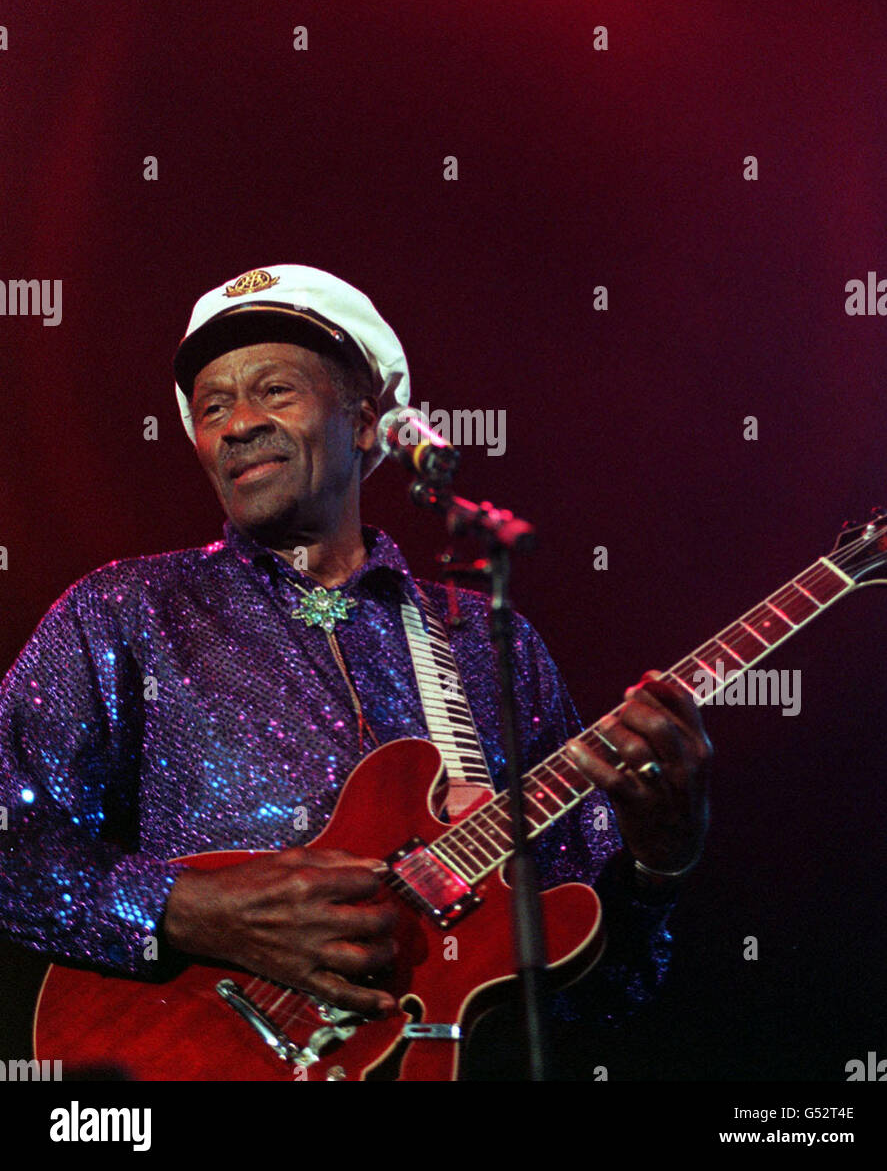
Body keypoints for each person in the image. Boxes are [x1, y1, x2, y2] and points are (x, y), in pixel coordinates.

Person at [0, 264, 712, 1077]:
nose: (238, 424)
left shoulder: (490, 641)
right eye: (212, 407)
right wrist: (193, 913)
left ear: (368, 421)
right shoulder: (122, 611)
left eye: (274, 390)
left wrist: (659, 862)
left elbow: (599, 993)